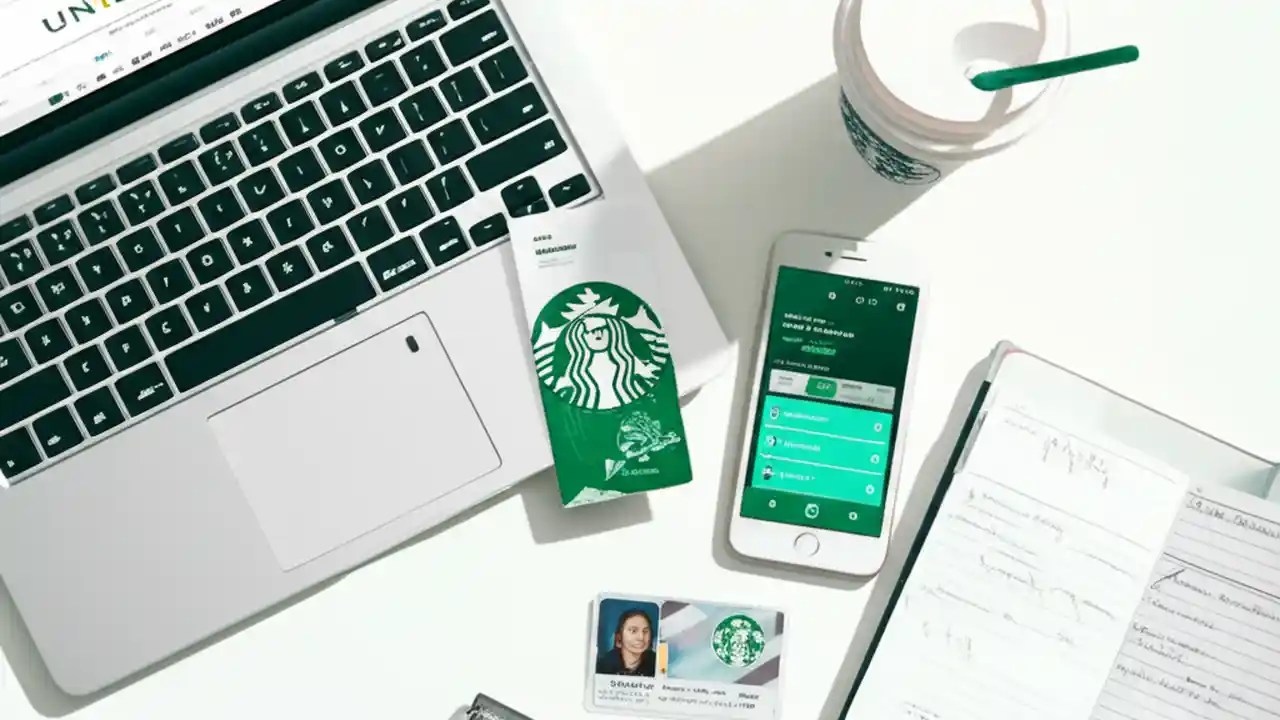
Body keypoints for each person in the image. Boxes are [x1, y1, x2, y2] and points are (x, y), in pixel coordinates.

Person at [596, 609, 657, 677]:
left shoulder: (656, 663)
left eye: (645, 631)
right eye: (633, 631)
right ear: (619, 637)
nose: (641, 637)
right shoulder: (604, 665)